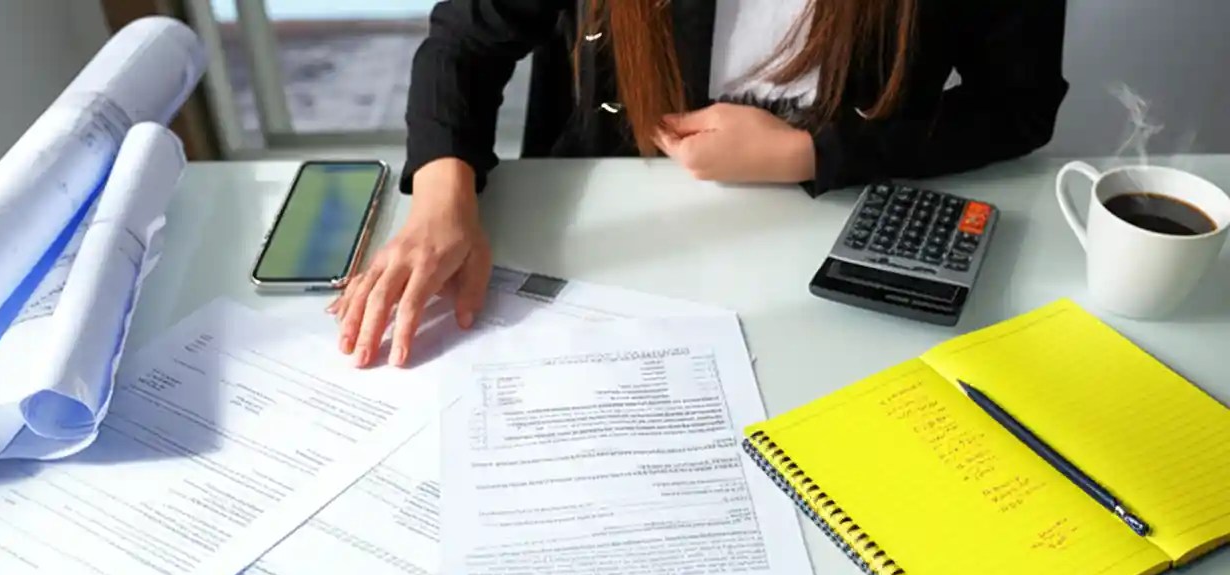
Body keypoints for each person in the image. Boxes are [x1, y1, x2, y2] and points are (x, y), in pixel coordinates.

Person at [329, 0, 1069, 367]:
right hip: (622, 249)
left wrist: (811, 154)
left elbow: (1019, 107)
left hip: (840, 248)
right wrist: (442, 202)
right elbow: (463, 44)